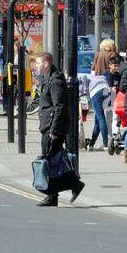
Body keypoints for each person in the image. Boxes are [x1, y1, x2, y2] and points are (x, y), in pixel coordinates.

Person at [33, 51, 85, 207]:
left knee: (49, 160)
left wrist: (54, 131)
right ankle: (62, 191)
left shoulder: (55, 82)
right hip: (48, 125)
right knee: (52, 161)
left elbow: (60, 106)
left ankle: (54, 194)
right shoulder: (46, 79)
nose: (36, 66)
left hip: (53, 128)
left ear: (46, 64)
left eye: (38, 63)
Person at [86, 46, 113, 150]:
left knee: (100, 117)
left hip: (96, 89)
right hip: (106, 88)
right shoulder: (112, 55)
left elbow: (92, 70)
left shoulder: (98, 55)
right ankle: (92, 144)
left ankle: (106, 144)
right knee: (98, 119)